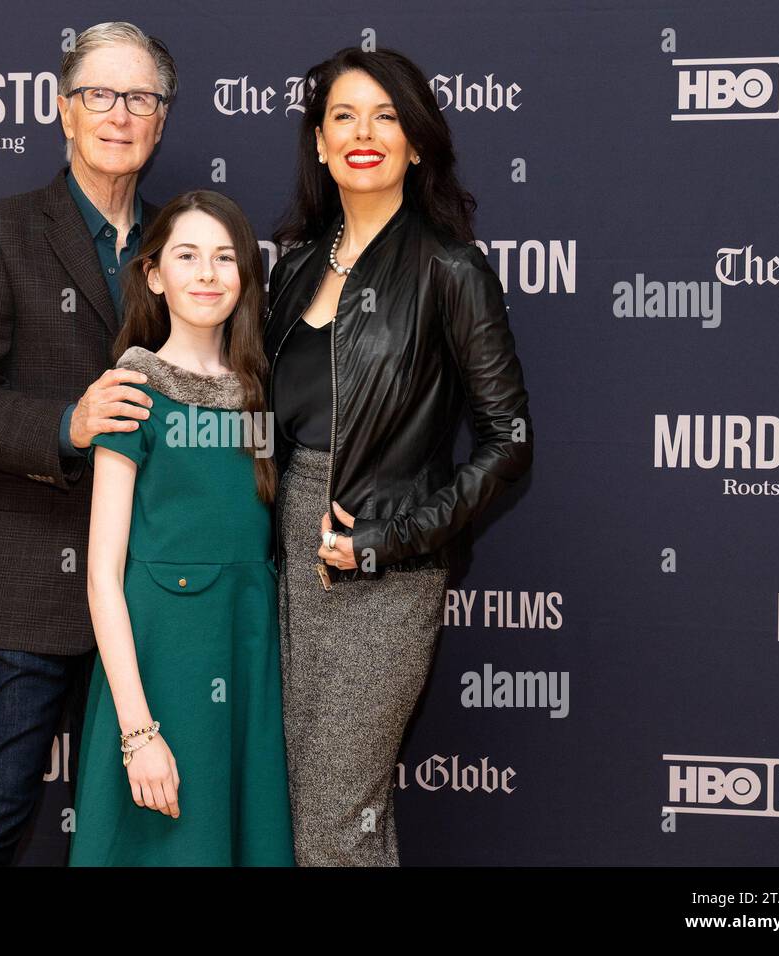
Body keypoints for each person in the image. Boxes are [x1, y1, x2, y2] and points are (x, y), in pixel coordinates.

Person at [265, 47, 534, 865]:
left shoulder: (451, 268)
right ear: (318, 143)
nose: (364, 133)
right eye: (343, 115)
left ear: (416, 144)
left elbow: (509, 441)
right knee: (325, 813)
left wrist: (394, 534)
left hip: (384, 568)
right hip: (284, 557)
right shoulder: (296, 266)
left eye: (387, 116)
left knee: (333, 817)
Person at [0, 22, 178, 866]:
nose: (119, 114)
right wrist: (66, 424)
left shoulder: (186, 244)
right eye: (99, 95)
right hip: (28, 580)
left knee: (140, 831)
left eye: (139, 98)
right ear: (62, 111)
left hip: (155, 588)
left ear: (162, 119)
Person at [69, 190, 294, 866]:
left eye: (226, 257)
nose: (207, 273)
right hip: (158, 674)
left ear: (245, 277)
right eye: (187, 256)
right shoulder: (131, 390)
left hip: (246, 670)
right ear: (154, 275)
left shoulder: (262, 397)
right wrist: (139, 734)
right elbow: (104, 576)